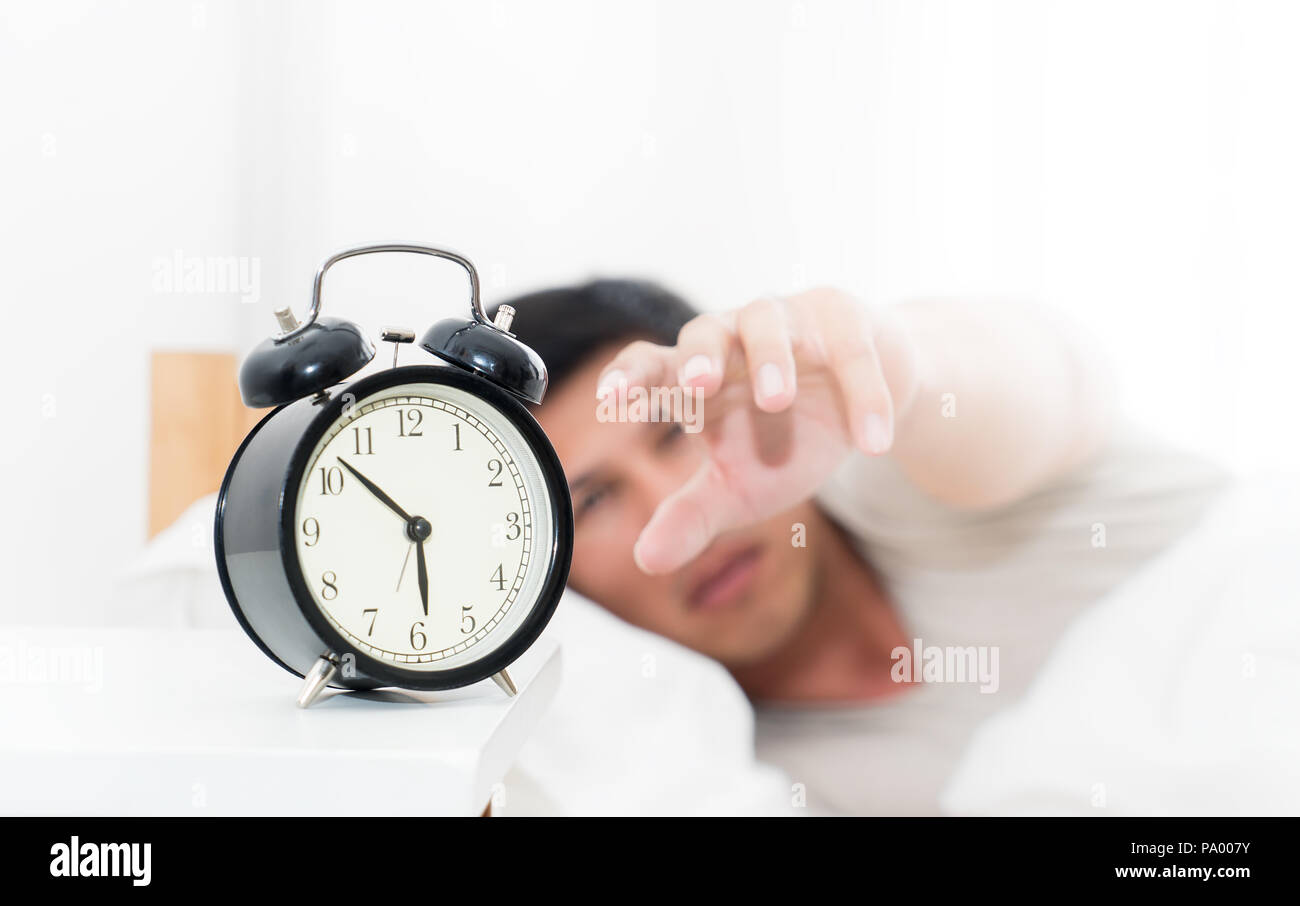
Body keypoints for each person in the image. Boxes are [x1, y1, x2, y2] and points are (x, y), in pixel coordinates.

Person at [489, 281, 1227, 814]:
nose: (675, 509)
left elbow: (1051, 376)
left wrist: (905, 369)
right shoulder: (743, 777)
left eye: (677, 430)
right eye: (595, 501)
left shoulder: (906, 463)